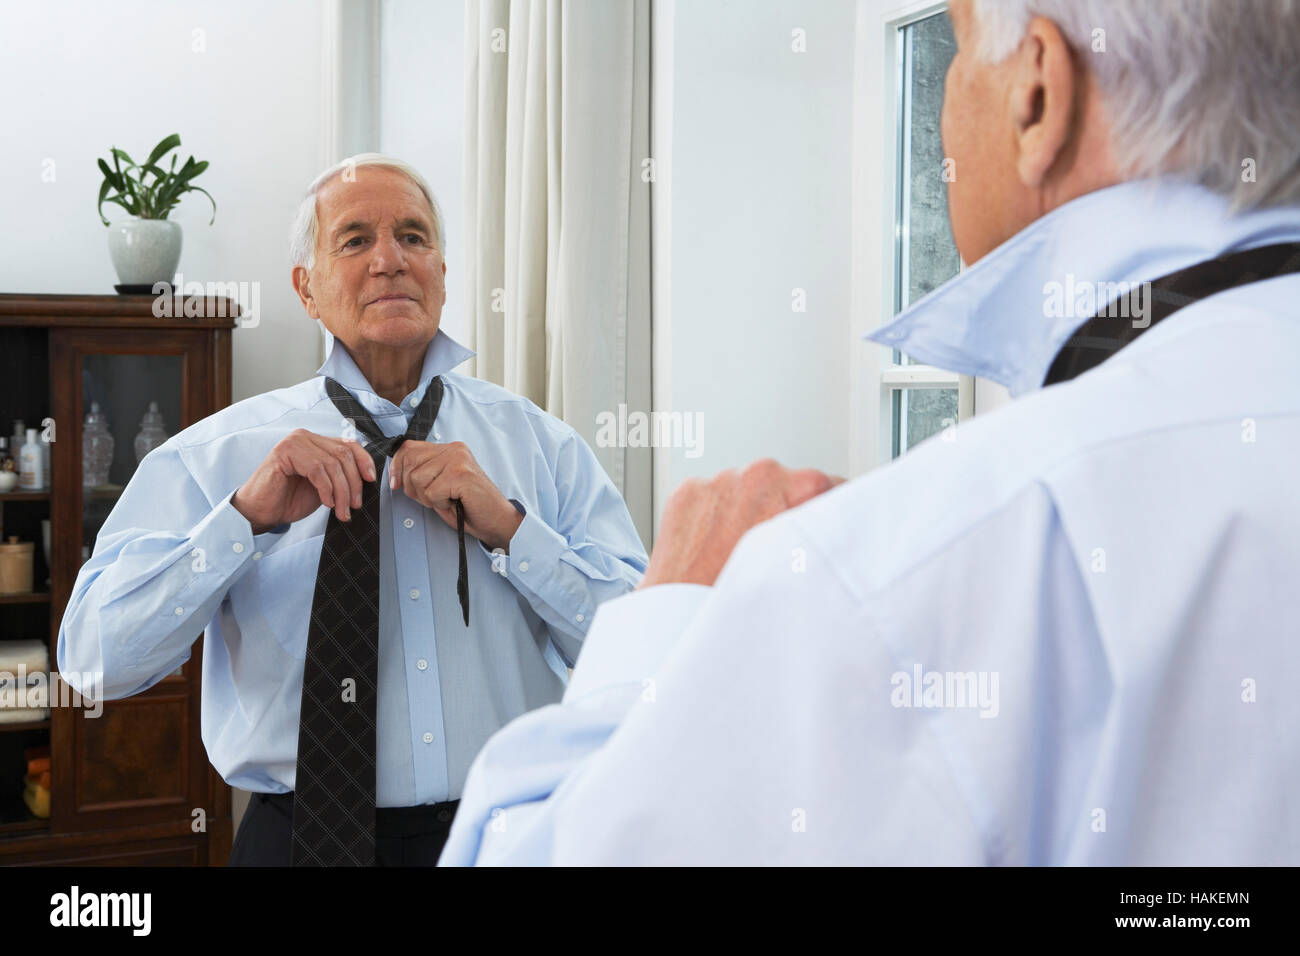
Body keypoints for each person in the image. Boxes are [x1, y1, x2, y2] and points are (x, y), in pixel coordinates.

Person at [439, 0, 1300, 865]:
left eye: (959, 50)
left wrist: (664, 628)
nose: (941, 104)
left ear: (1038, 90)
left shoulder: (900, 571)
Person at [57, 154, 648, 866]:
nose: (391, 260)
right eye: (355, 239)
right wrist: (241, 519)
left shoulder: (543, 448)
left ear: (442, 273)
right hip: (298, 843)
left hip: (505, 838)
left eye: (413, 236)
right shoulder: (212, 457)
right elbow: (92, 664)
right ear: (307, 288)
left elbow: (642, 660)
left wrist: (514, 530)